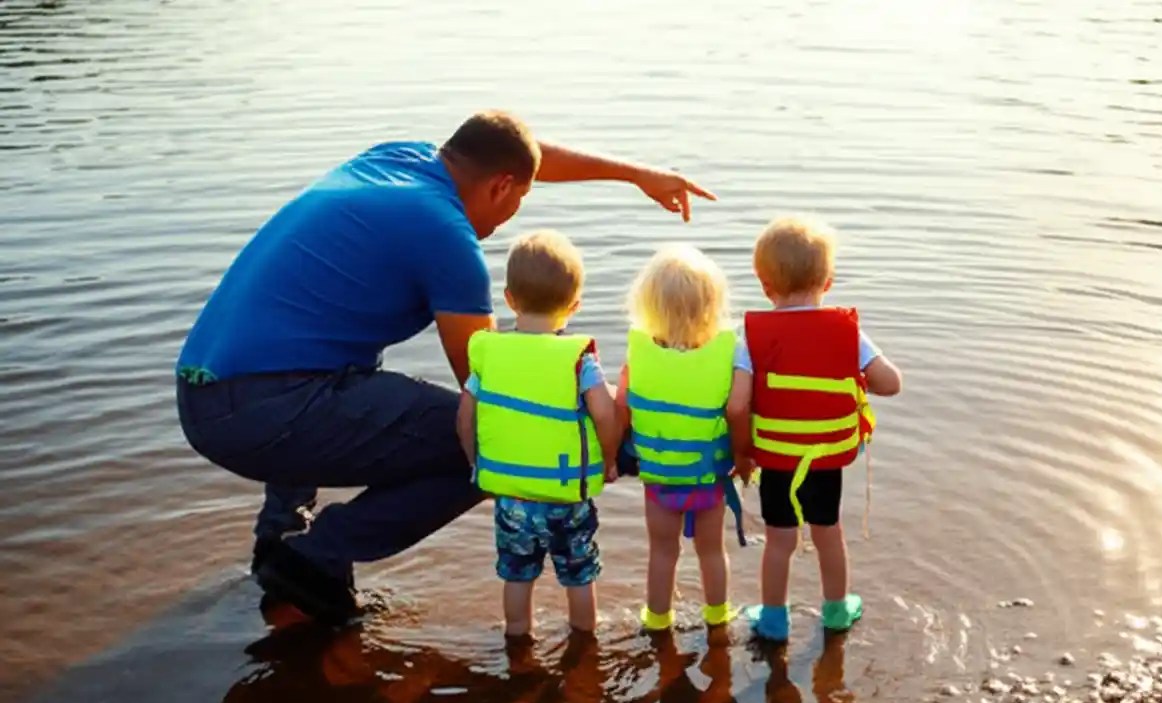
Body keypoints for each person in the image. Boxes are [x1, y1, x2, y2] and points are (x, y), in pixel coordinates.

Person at [174, 110, 713, 625]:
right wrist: (640, 443)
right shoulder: (447, 239)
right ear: (501, 186)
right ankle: (315, 557)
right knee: (487, 442)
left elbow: (522, 153)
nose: (507, 221)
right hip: (262, 410)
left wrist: (635, 174)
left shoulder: (401, 159)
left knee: (342, 349)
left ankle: (281, 541)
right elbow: (506, 403)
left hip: (211, 389)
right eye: (516, 202)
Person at [740, 216, 903, 642]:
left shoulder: (749, 336)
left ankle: (774, 619)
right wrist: (848, 377)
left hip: (776, 459)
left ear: (764, 284)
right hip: (824, 458)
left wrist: (741, 452)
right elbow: (891, 383)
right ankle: (836, 611)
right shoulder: (848, 333)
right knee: (828, 534)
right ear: (827, 282)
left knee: (779, 541)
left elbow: (737, 403)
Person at [455, 231, 620, 637]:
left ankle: (517, 635)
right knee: (578, 573)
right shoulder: (579, 360)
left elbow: (465, 416)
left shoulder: (490, 355)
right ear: (574, 306)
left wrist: (476, 462)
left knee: (516, 574)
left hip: (512, 496)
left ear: (509, 299)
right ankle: (583, 638)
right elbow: (603, 412)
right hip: (565, 496)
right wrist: (611, 458)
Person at [613, 245, 754, 633]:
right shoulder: (730, 351)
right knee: (711, 551)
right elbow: (739, 409)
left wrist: (612, 456)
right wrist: (745, 458)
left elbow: (622, 405)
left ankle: (657, 620)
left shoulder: (639, 351)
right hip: (709, 475)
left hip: (659, 477)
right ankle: (718, 617)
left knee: (662, 552)